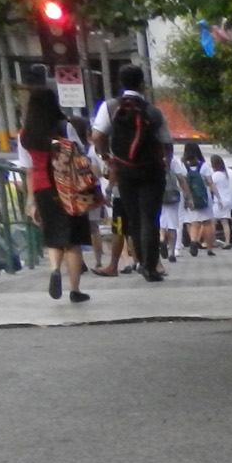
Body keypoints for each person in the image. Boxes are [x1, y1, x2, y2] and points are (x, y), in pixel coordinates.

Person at [91, 63, 173, 283]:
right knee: (150, 218)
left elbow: (97, 136)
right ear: (142, 84)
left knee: (134, 218)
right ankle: (150, 266)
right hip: (151, 171)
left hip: (124, 171)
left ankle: (140, 261)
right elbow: (166, 142)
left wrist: (106, 157)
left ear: (120, 83)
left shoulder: (109, 107)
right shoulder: (154, 111)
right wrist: (166, 163)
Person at [14, 87, 94, 303]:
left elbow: (28, 169)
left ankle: (54, 270)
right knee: (73, 241)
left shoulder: (24, 135)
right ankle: (75, 290)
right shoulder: (64, 127)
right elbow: (81, 155)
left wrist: (31, 202)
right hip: (68, 188)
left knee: (53, 237)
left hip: (42, 189)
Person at [177, 141, 216, 256]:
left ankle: (194, 241)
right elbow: (210, 183)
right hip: (204, 198)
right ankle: (209, 249)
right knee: (207, 222)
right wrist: (218, 196)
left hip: (190, 197)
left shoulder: (182, 165)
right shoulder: (203, 166)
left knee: (194, 222)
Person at [208, 152, 232, 248]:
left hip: (219, 201)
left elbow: (211, 187)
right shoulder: (225, 174)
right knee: (225, 222)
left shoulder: (215, 175)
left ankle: (212, 241)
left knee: (212, 221)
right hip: (227, 200)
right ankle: (227, 241)